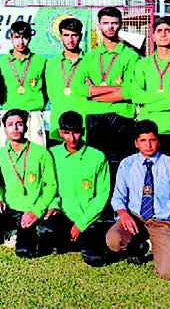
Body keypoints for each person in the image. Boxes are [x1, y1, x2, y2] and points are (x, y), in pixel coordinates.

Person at [106, 120, 170, 280]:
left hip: (163, 221)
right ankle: (141, 246)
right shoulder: (127, 164)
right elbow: (118, 196)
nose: (148, 145)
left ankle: (167, 244)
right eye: (143, 140)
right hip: (136, 218)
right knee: (114, 239)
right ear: (136, 143)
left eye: (152, 140)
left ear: (158, 141)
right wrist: (123, 214)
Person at [47, 111, 112, 266]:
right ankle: (71, 241)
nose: (72, 138)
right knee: (46, 232)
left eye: (76, 132)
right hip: (64, 216)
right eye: (67, 133)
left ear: (82, 131)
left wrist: (80, 224)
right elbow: (49, 186)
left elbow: (102, 195)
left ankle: (84, 240)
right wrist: (54, 206)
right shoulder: (53, 154)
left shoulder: (97, 157)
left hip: (88, 218)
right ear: (60, 133)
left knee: (95, 260)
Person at [78, 7, 139, 171]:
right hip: (94, 116)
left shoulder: (130, 56)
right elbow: (79, 88)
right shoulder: (90, 56)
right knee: (96, 166)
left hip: (122, 116)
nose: (110, 27)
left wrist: (95, 91)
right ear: (99, 25)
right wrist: (116, 90)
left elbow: (129, 90)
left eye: (114, 23)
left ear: (121, 25)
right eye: (105, 23)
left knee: (122, 167)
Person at [0, 109, 59, 258]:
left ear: (25, 127)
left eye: (19, 124)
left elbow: (51, 185)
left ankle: (27, 234)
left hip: (31, 210)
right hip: (8, 209)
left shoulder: (41, 153)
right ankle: (10, 232)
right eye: (10, 124)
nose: (15, 128)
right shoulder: (0, 154)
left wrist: (36, 211)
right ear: (5, 129)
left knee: (25, 251)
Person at [131, 17, 170, 163]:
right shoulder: (142, 64)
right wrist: (167, 95)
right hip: (147, 130)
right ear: (153, 36)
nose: (163, 34)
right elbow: (136, 96)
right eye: (159, 31)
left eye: (168, 30)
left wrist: (149, 105)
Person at [0, 21, 47, 148]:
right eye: (17, 37)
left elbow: (46, 90)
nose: (21, 42)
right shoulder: (1, 62)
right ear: (11, 37)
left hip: (33, 114)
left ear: (30, 38)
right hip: (10, 113)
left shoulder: (40, 61)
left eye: (25, 37)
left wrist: (37, 104)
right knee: (9, 153)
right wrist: (7, 105)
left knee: (37, 152)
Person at [44, 18, 90, 146]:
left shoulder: (91, 61)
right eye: (66, 35)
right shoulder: (51, 63)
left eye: (74, 35)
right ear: (60, 36)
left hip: (83, 124)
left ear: (81, 36)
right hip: (58, 124)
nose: (70, 40)